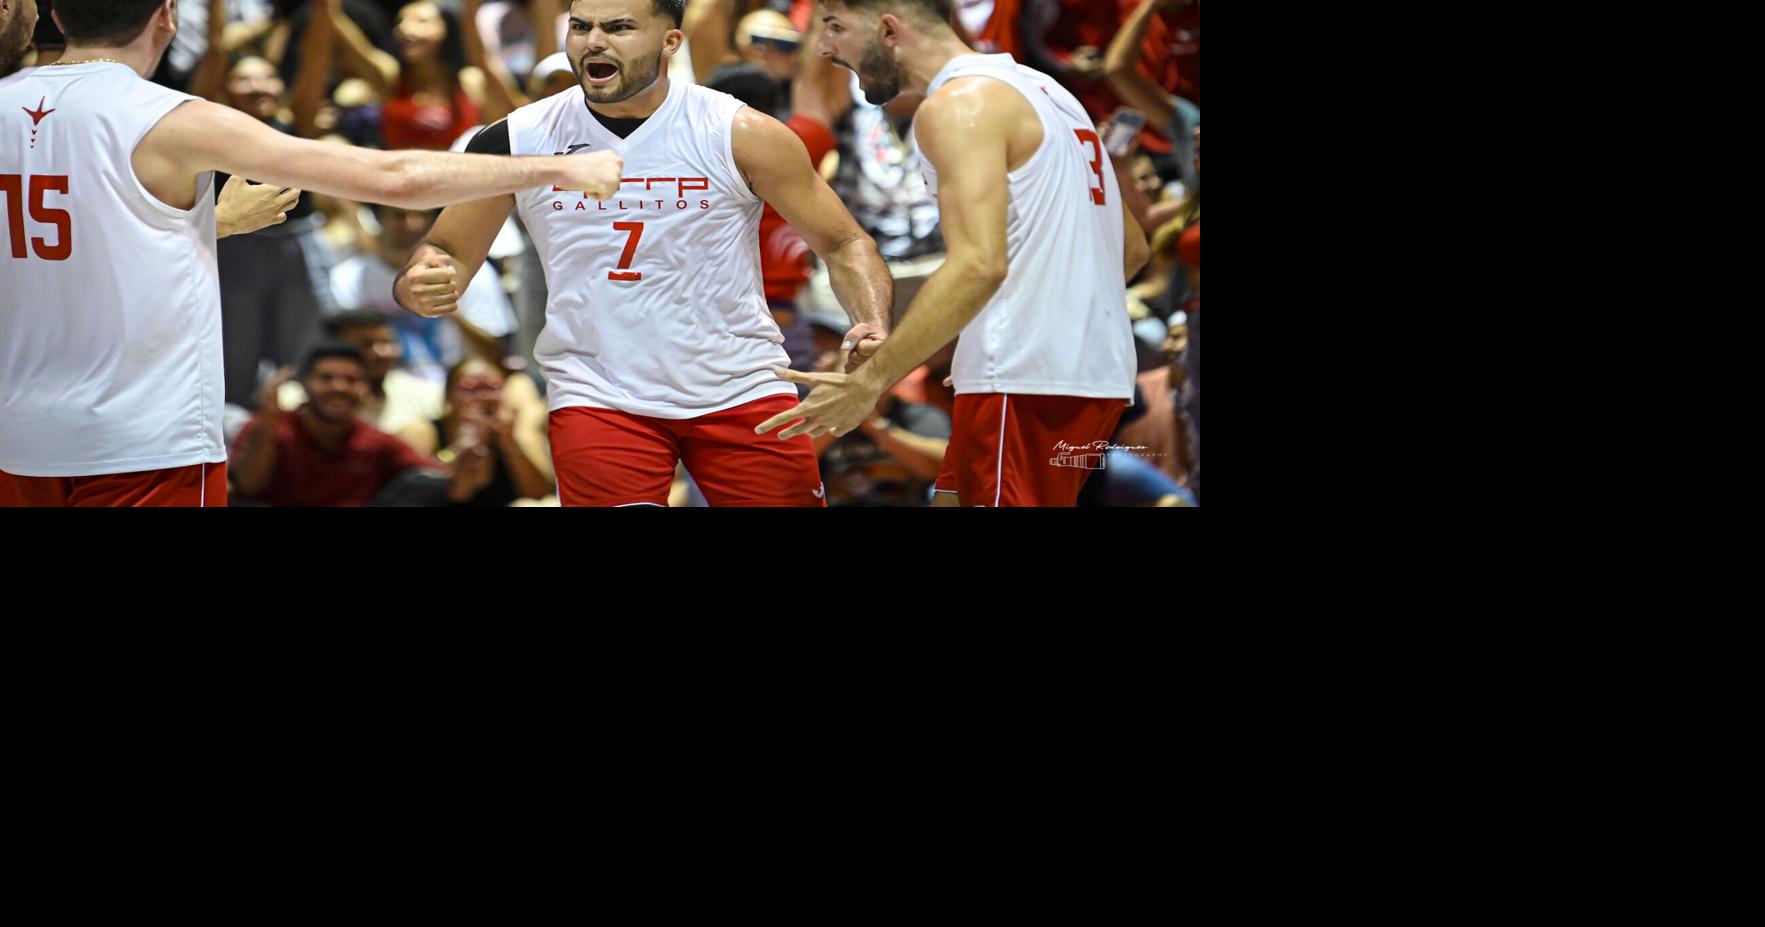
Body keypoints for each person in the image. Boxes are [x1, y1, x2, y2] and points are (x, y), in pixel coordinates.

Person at [0, 0, 624, 507]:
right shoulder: (166, 117)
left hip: (18, 438)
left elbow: (69, 244)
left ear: (56, 18)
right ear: (167, 15)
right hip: (137, 438)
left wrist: (209, 224)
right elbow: (395, 178)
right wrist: (559, 168)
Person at [394, 0, 895, 507]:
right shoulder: (515, 139)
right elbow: (446, 248)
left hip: (740, 386)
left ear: (671, 43)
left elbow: (845, 242)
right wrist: (424, 277)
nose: (594, 41)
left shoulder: (740, 132)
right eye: (581, 27)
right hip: (599, 393)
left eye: (619, 28)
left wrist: (872, 324)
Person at [756, 0, 1149, 507]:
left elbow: (979, 264)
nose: (826, 47)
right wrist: (986, 337)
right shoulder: (1049, 93)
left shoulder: (957, 105)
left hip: (1026, 377)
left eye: (834, 27)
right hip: (1075, 371)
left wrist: (869, 384)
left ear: (888, 28)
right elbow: (1129, 249)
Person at [229, 344, 440, 506]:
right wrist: (266, 426)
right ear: (304, 383)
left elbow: (436, 477)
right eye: (326, 378)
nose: (339, 387)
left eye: (351, 380)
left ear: (366, 388)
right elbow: (248, 486)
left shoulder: (375, 442)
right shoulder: (268, 427)